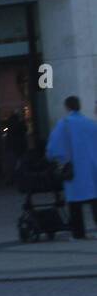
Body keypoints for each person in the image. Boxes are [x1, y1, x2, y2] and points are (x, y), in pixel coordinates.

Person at [46, 96, 97, 239]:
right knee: (94, 198)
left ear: (67, 107)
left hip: (75, 170)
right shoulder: (91, 124)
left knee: (75, 203)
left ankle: (79, 233)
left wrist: (55, 158)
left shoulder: (65, 124)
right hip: (93, 169)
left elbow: (54, 148)